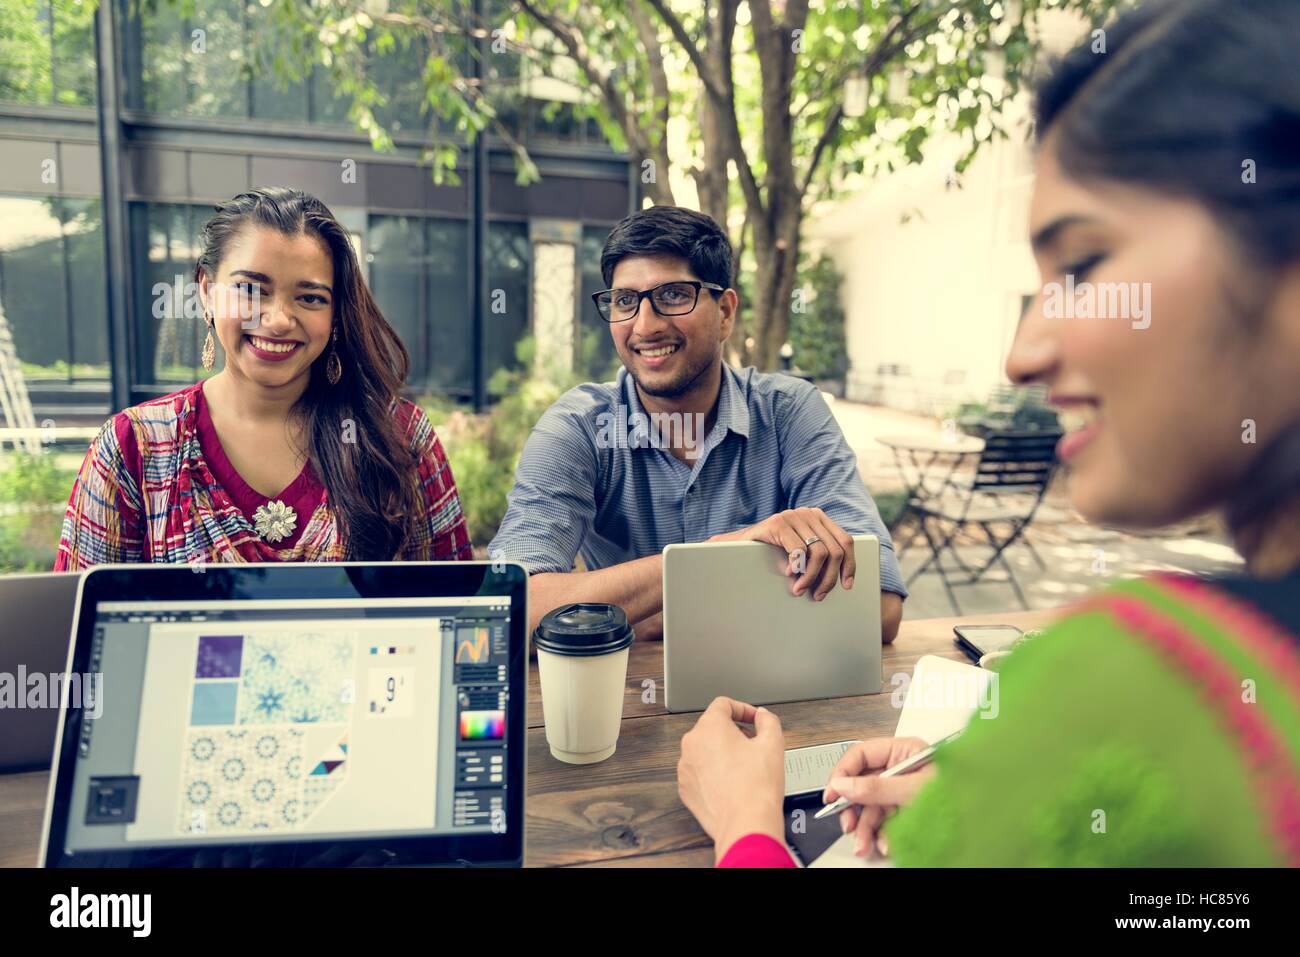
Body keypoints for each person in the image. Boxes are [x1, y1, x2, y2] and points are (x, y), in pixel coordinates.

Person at [677, 0, 1300, 867]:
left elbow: (884, 603)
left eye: (1083, 265)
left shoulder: (1139, 678)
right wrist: (996, 787)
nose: (1023, 352)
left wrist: (744, 824)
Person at [488, 206, 906, 642]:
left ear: (725, 312)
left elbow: (878, 607)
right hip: (624, 702)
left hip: (778, 699)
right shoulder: (578, 428)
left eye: (672, 295)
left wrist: (639, 611)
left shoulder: (789, 411)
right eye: (625, 301)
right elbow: (510, 610)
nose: (644, 326)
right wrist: (722, 557)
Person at [55, 187, 472, 567]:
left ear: (335, 312)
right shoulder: (136, 448)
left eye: (310, 297)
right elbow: (77, 630)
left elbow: (464, 618)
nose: (277, 320)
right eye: (251, 289)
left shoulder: (399, 437)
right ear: (206, 290)